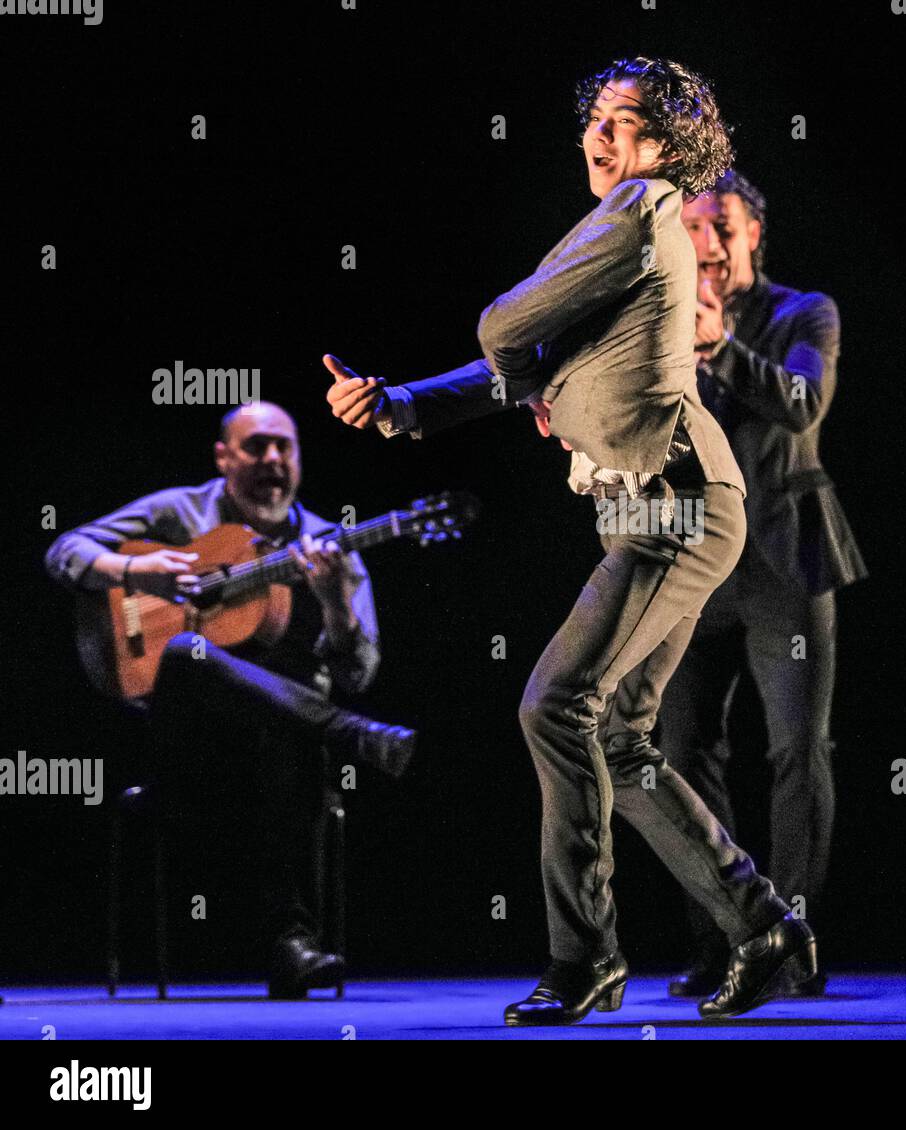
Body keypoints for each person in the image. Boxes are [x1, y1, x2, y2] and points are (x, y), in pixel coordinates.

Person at [322, 56, 815, 1023]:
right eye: (593, 117)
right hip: (666, 502)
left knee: (554, 705)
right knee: (620, 740)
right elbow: (530, 365)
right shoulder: (630, 227)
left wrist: (519, 348)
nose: (598, 135)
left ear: (667, 144)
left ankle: (585, 957)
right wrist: (400, 406)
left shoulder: (635, 212)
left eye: (623, 122)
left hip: (672, 503)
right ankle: (764, 926)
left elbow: (506, 330)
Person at [45, 402, 416, 998]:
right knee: (190, 650)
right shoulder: (178, 512)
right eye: (256, 446)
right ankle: (346, 732)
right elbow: (64, 551)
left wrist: (337, 606)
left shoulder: (328, 547)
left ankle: (292, 946)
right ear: (224, 457)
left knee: (277, 730)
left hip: (279, 751)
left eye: (284, 448)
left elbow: (358, 672)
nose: (272, 459)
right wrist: (133, 574)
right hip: (187, 742)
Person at [661, 172, 868, 997]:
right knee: (680, 752)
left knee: (796, 749)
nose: (706, 241)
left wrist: (720, 348)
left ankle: (791, 941)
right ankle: (725, 938)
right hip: (697, 558)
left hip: (785, 555)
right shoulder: (668, 314)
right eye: (693, 226)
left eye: (722, 224)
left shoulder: (803, 313)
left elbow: (802, 404)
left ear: (754, 233)